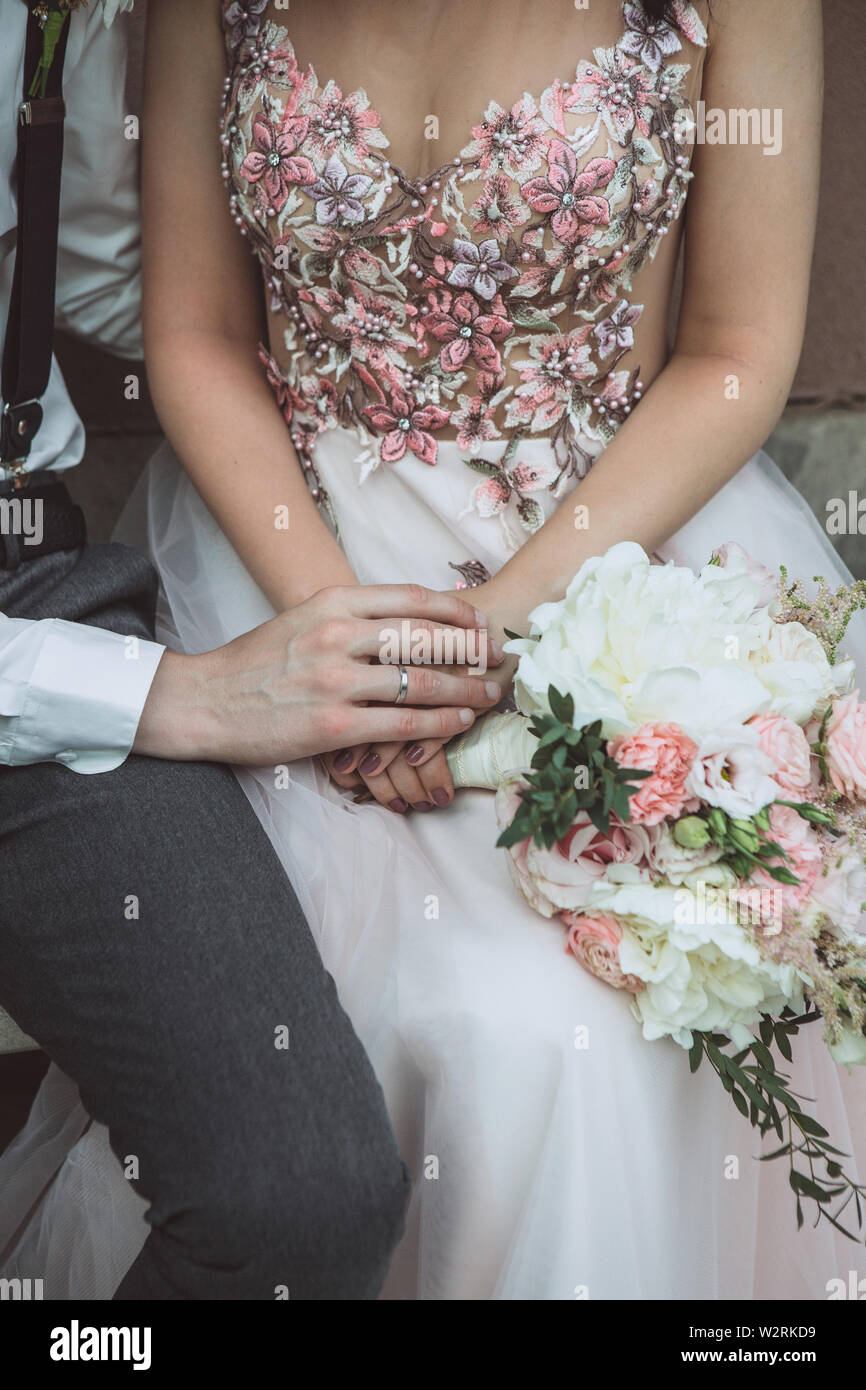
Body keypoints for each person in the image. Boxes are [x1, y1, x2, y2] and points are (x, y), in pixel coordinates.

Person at [6, 0, 864, 1300]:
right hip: (284, 545)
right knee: (368, 1024)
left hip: (611, 549)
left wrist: (488, 627)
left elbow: (737, 352)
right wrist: (345, 639)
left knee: (596, 1019)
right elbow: (192, 331)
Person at [0, 0, 501, 1300]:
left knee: (299, 1195)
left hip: (29, 575)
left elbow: (110, 276)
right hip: (70, 676)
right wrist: (171, 694)